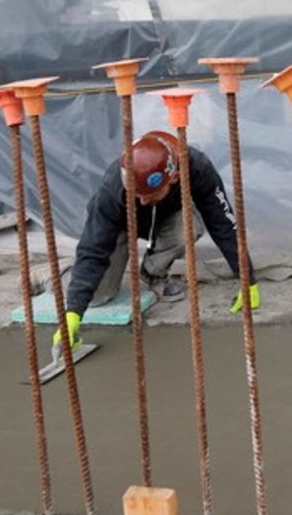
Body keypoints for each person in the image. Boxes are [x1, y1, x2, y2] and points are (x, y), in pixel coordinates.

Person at [52, 131, 260, 354]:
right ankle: (55, 275)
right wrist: (73, 312)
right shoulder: (114, 186)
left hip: (166, 220)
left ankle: (153, 275)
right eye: (137, 195)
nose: (142, 201)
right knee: (98, 296)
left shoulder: (196, 167)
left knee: (189, 225)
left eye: (150, 195)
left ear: (174, 178)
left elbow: (223, 223)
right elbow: (94, 248)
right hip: (119, 227)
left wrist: (247, 278)